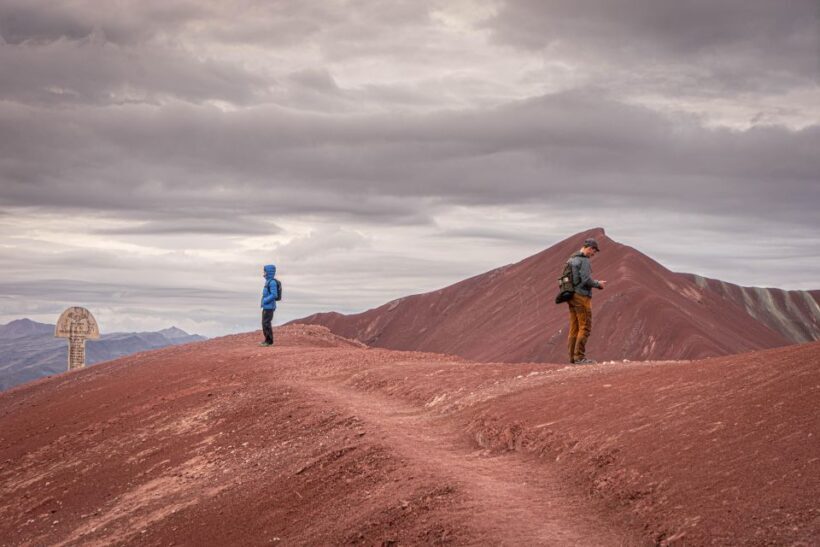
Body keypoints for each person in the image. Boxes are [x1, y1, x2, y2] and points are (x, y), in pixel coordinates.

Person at [566, 238, 607, 364]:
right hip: (582, 297)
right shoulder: (584, 260)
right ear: (589, 248)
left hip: (571, 296)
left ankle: (572, 358)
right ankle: (579, 357)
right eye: (594, 251)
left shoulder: (571, 259)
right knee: (585, 327)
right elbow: (586, 280)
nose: (593, 254)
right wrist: (598, 284)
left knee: (574, 327)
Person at [260, 264, 279, 347]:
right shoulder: (268, 281)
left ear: (268, 272)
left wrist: (265, 300)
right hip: (266, 306)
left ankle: (269, 342)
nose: (263, 272)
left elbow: (274, 294)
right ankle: (267, 340)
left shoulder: (272, 282)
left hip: (269, 307)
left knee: (266, 323)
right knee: (265, 323)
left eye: (264, 271)